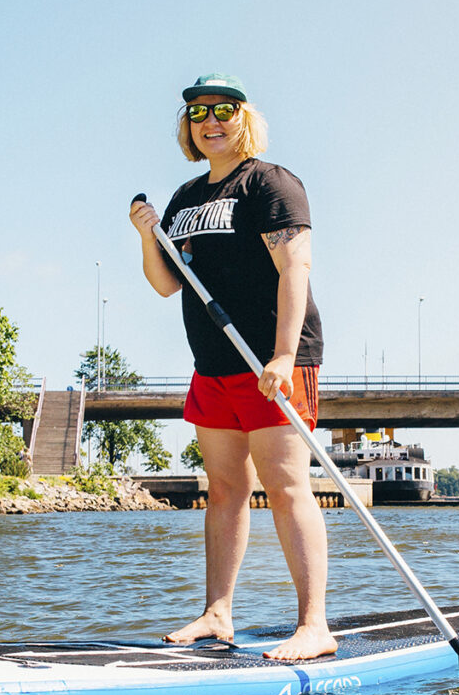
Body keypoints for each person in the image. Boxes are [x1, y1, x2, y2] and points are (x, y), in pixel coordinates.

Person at [128, 73, 333, 662]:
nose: (209, 121)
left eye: (222, 110)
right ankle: (218, 613)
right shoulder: (186, 197)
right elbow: (168, 284)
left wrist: (285, 354)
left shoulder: (270, 183)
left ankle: (314, 626)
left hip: (271, 359)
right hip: (213, 363)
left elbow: (296, 269)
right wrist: (148, 238)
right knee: (224, 490)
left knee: (288, 487)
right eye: (198, 114)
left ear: (244, 119)